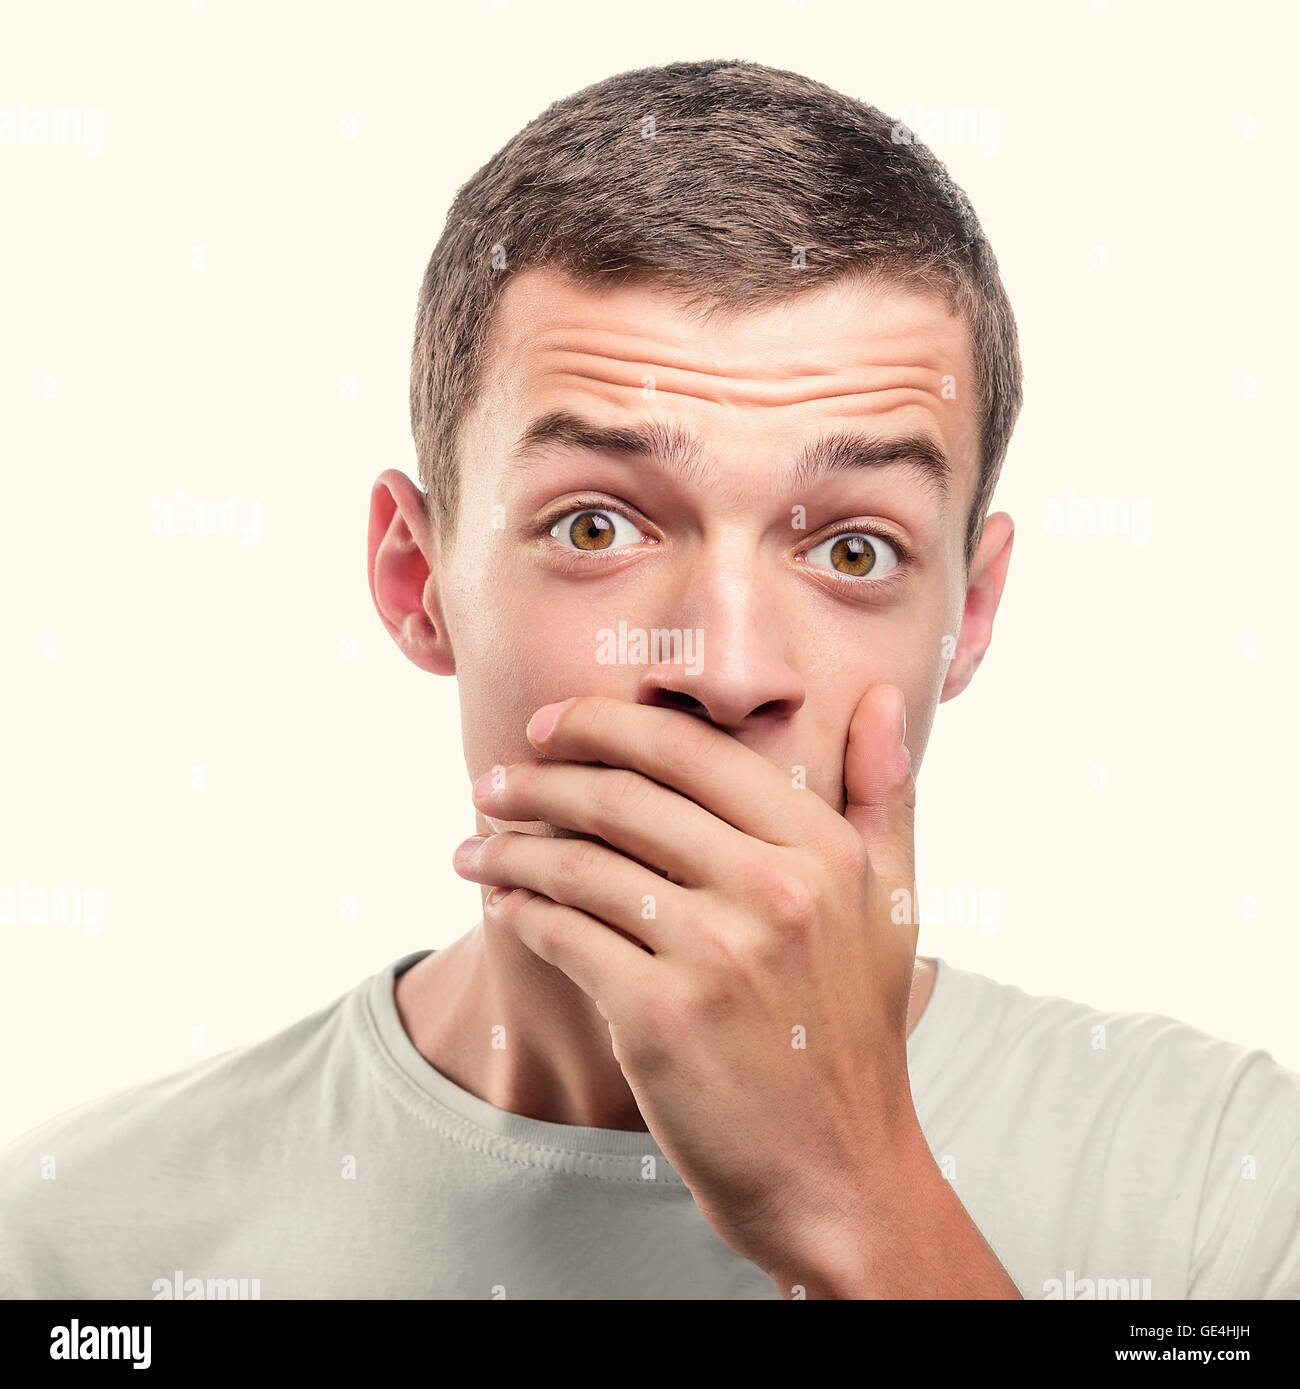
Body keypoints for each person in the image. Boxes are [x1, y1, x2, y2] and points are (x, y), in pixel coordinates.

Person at [3, 59, 1297, 1301]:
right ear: (416, 582)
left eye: (854, 547)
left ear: (970, 617)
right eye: (597, 526)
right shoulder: (85, 1244)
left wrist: (861, 1202)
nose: (726, 672)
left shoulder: (1227, 1188)